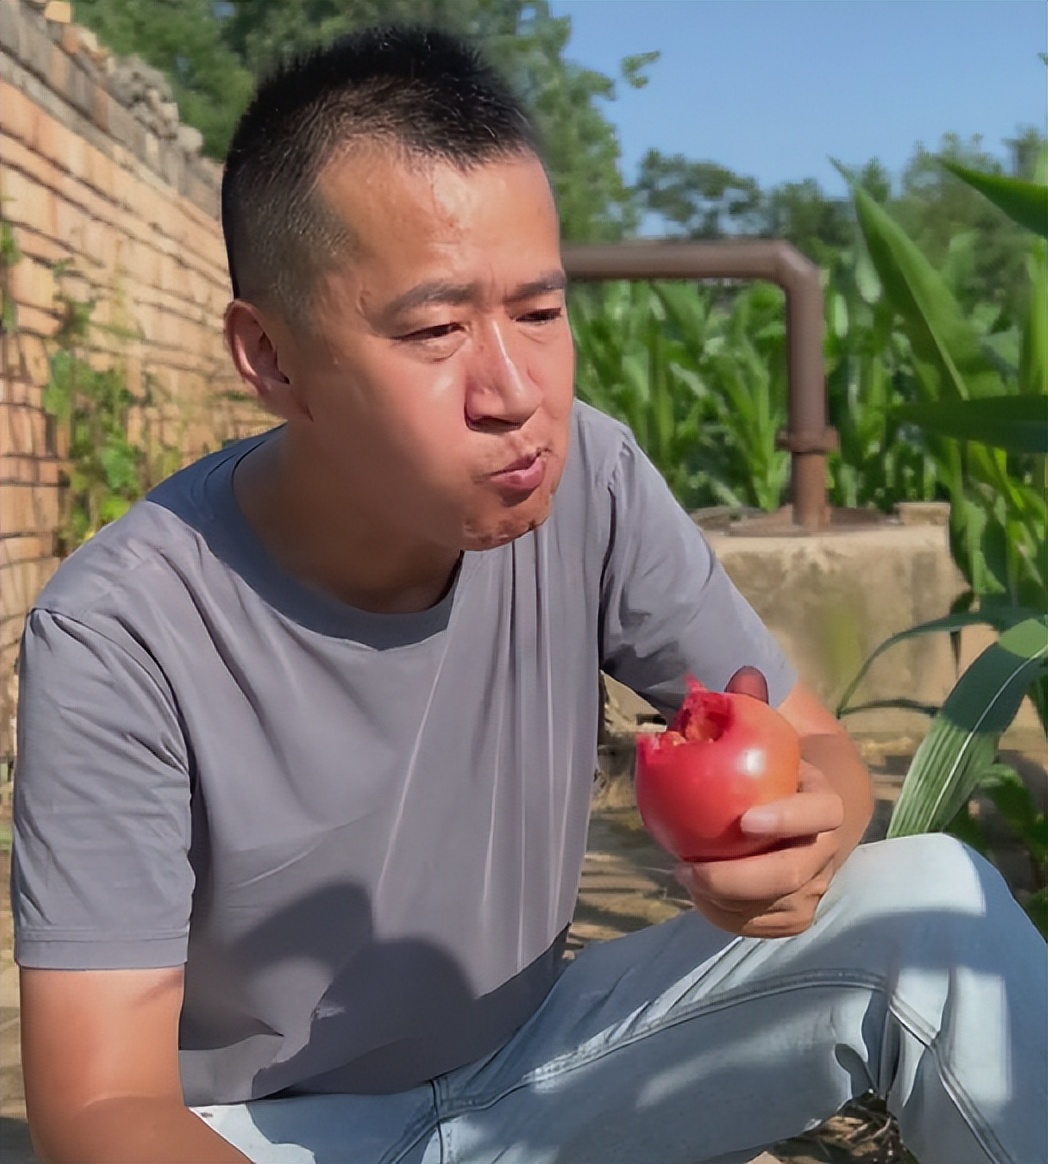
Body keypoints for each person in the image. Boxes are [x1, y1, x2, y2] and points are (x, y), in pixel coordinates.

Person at [11, 25, 1045, 1164]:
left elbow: (818, 753)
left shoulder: (590, 481)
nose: (515, 393)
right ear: (269, 357)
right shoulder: (121, 631)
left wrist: (808, 842)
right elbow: (100, 1107)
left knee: (930, 904)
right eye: (436, 329)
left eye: (542, 313)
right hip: (269, 1135)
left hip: (543, 1062)